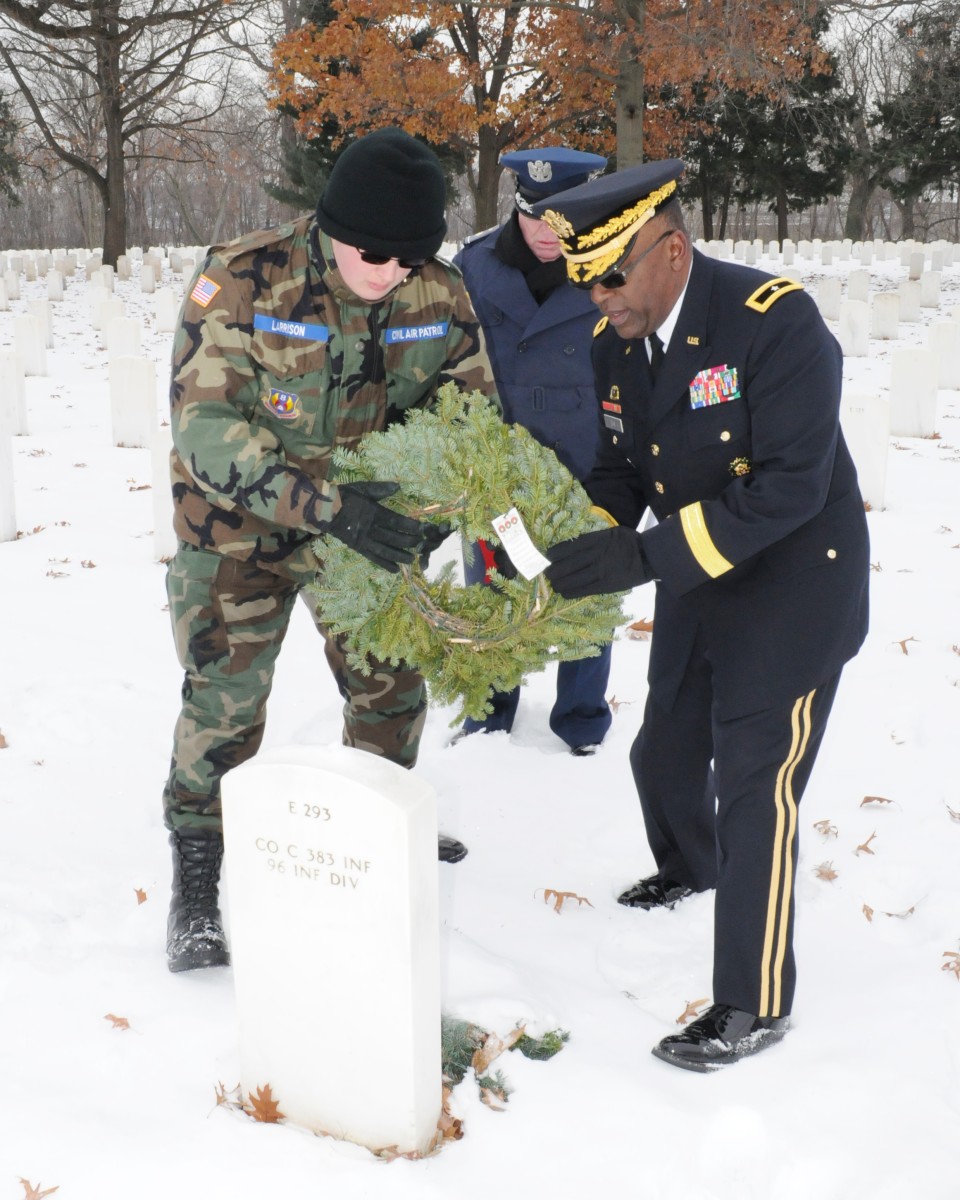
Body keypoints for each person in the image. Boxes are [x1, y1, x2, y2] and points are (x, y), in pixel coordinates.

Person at [535, 160, 869, 1070]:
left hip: (795, 583)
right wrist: (587, 537)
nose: (597, 297)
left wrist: (639, 558)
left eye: (610, 274)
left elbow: (790, 492)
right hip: (700, 572)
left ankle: (752, 1001)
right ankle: (691, 863)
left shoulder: (776, 323)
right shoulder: (618, 343)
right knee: (667, 744)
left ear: (671, 250)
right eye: (583, 279)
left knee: (755, 787)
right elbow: (622, 471)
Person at [162, 127, 498, 974]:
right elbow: (205, 431)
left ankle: (377, 826)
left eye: (408, 256)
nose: (388, 272)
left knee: (392, 687)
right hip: (238, 533)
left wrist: (433, 500)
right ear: (331, 225)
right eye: (372, 254)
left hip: (367, 530)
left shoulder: (440, 296)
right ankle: (198, 872)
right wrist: (323, 505)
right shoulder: (242, 279)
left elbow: (469, 414)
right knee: (224, 702)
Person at [452, 146, 614, 755]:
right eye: (533, 215)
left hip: (588, 461)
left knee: (589, 595)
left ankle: (581, 721)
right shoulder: (475, 267)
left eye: (561, 218)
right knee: (492, 593)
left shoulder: (611, 263)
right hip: (500, 460)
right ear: (515, 207)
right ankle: (489, 716)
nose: (546, 232)